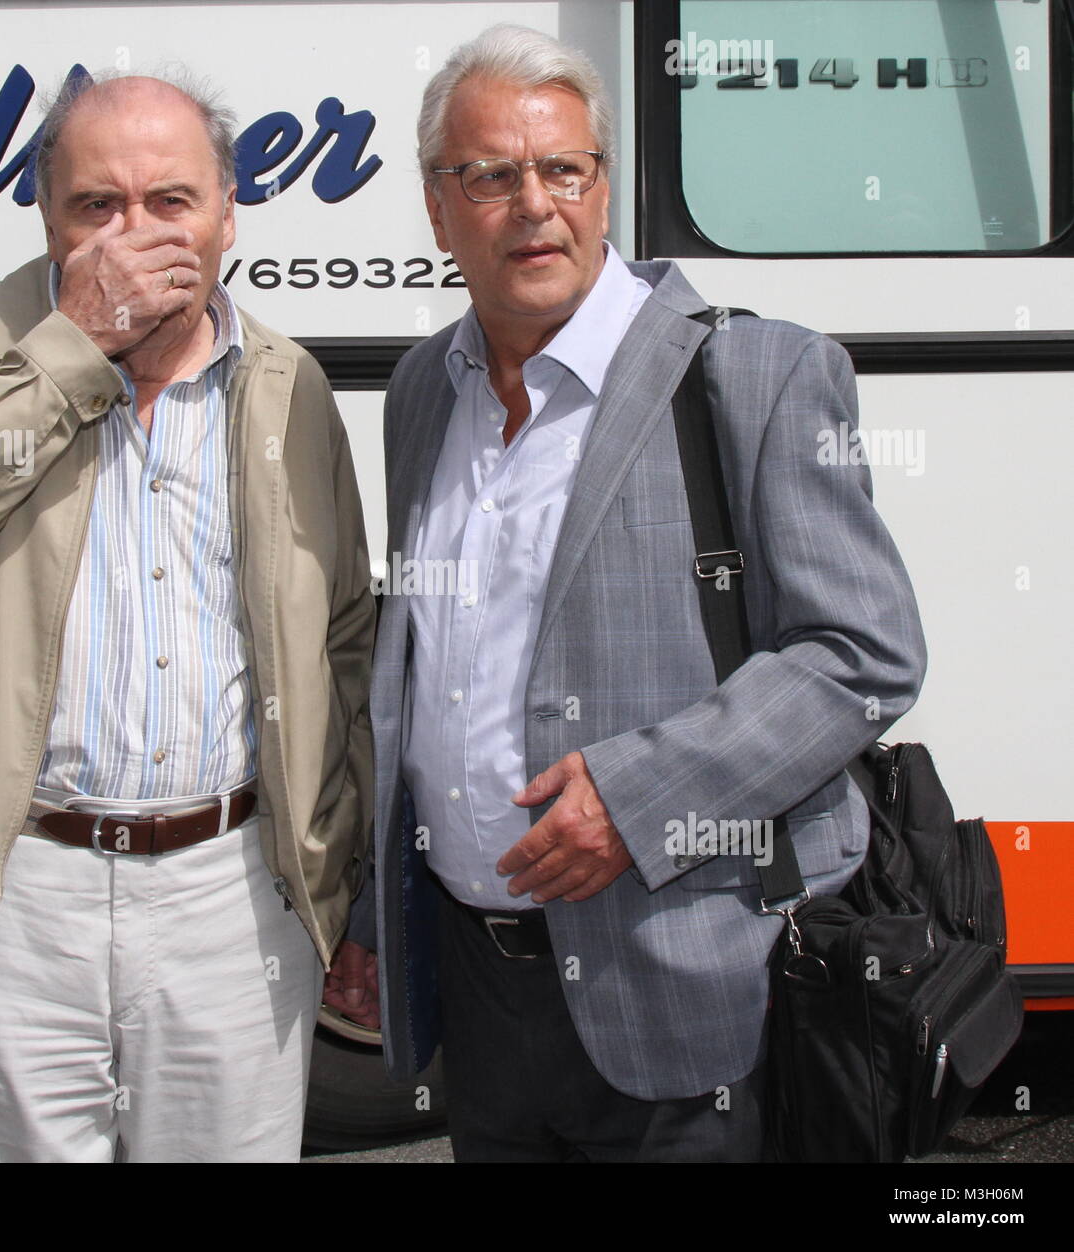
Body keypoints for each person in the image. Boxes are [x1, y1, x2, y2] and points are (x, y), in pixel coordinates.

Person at [325, 24, 926, 1162]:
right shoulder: (422, 390)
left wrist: (637, 799)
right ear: (437, 205)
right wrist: (374, 907)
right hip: (482, 993)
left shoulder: (752, 372)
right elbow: (422, 674)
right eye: (491, 176)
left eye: (563, 170)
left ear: (604, 189)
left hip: (685, 979)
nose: (533, 205)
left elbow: (861, 653)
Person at [0, 72, 374, 1163]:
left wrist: (337, 874)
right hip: (2, 905)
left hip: (233, 902)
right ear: (46, 214)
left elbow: (342, 640)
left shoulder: (286, 386)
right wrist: (73, 345)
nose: (135, 234)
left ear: (226, 212)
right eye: (98, 206)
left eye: (170, 201)